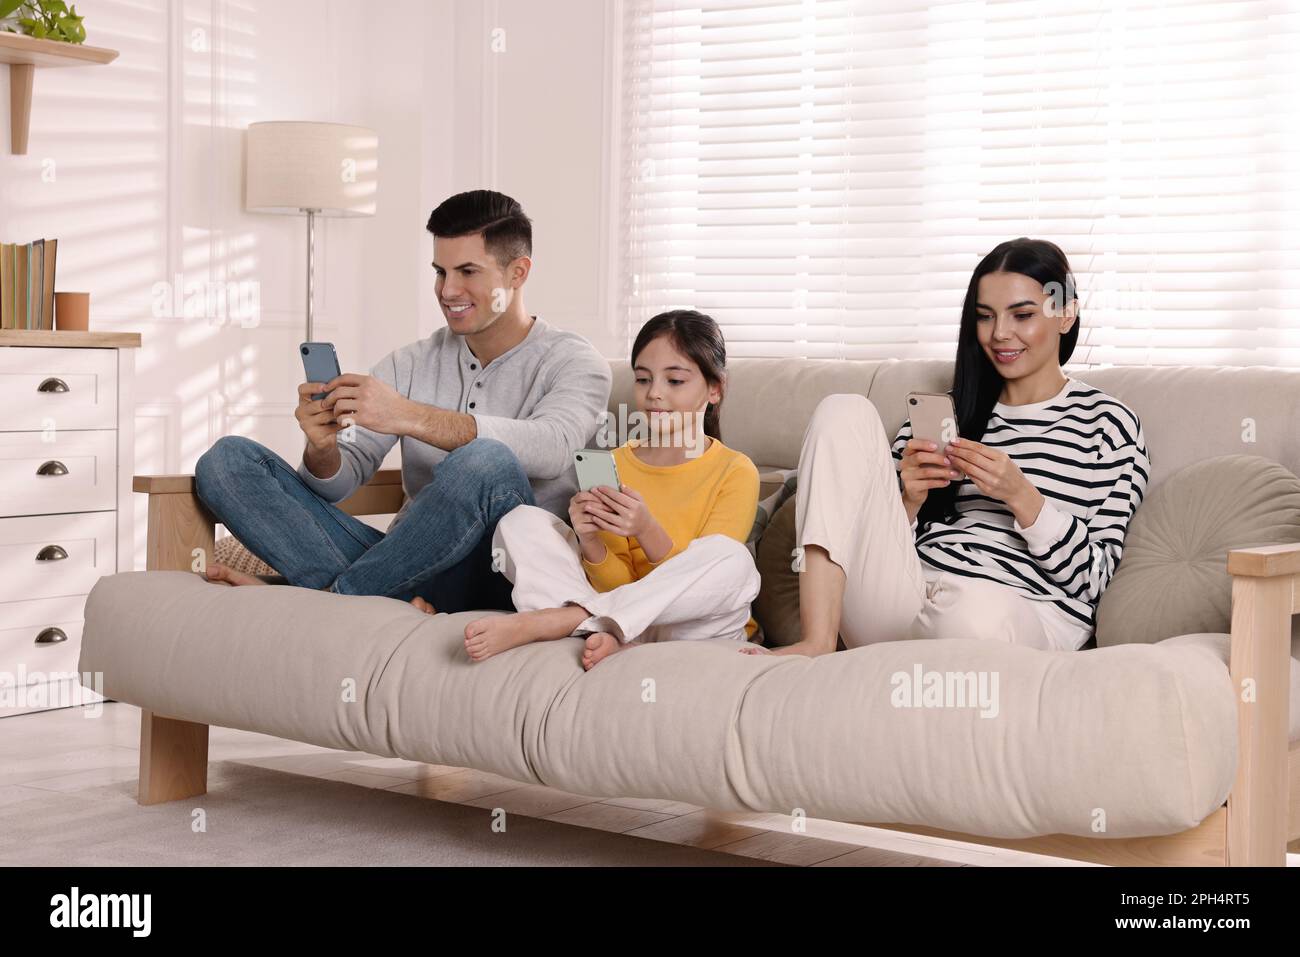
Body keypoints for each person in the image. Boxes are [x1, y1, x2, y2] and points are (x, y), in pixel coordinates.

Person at [192, 190, 613, 612]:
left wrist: (409, 416)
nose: (448, 290)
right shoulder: (409, 363)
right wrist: (323, 449)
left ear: (518, 273)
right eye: (440, 271)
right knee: (226, 462)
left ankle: (329, 604)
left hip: (504, 577)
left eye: (468, 271)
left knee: (486, 461)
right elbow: (339, 485)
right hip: (410, 569)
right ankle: (378, 600)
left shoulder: (575, 361)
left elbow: (555, 447)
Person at [745, 237, 1150, 656]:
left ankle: (916, 658)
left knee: (976, 609)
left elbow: (1095, 580)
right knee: (841, 409)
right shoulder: (950, 412)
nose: (999, 334)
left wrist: (1022, 497)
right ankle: (817, 641)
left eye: (1022, 315)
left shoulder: (1109, 424)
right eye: (985, 317)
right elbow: (872, 541)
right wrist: (909, 499)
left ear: (1066, 314)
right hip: (909, 596)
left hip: (1015, 612)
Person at [437, 310, 761, 670]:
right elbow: (613, 583)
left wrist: (645, 529)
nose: (654, 394)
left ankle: (564, 620)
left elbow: (700, 585)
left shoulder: (736, 471)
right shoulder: (617, 463)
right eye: (643, 379)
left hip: (696, 630)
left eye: (674, 381)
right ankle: (613, 633)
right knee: (521, 522)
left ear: (715, 388)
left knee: (733, 560)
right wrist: (590, 541)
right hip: (617, 620)